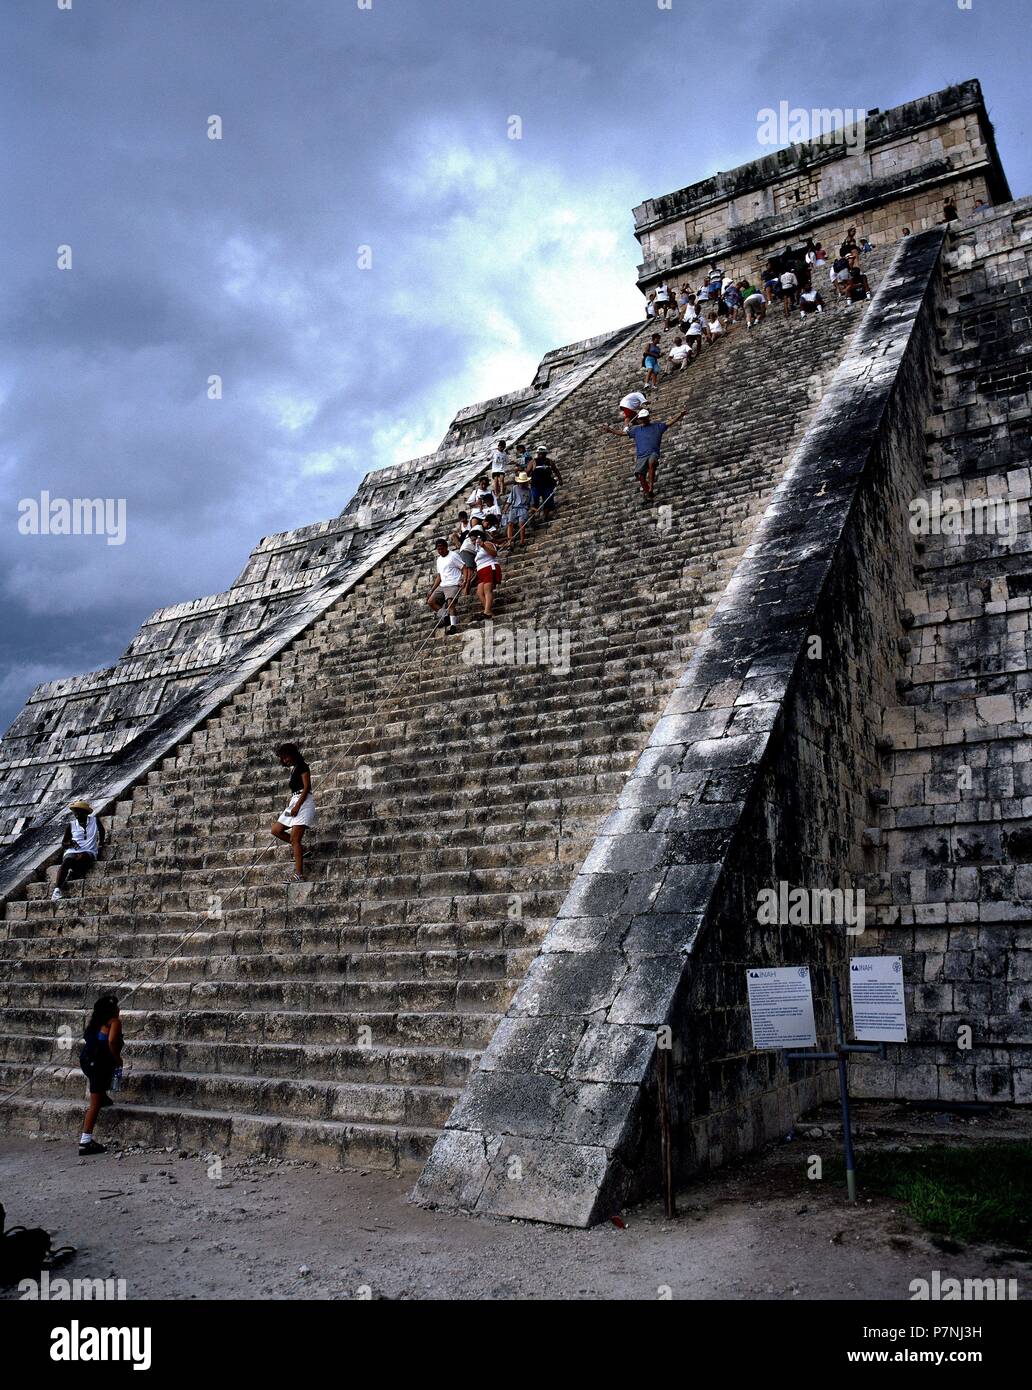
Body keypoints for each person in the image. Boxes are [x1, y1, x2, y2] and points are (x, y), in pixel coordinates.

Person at [600, 404, 687, 502]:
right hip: (641, 456)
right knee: (640, 475)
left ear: (648, 418)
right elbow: (623, 433)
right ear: (640, 419)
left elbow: (669, 423)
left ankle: (650, 487)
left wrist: (680, 416)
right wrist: (610, 430)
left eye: (645, 418)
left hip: (652, 452)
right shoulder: (636, 430)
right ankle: (648, 493)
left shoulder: (657, 426)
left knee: (652, 462)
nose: (643, 420)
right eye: (642, 418)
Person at [78, 994, 123, 1156]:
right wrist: (118, 1059)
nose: (119, 1009)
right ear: (112, 1010)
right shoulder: (115, 1022)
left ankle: (102, 1096)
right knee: (94, 1104)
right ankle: (85, 1142)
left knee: (99, 1092)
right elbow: (111, 1041)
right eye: (117, 1007)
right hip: (98, 1065)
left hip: (87, 1061)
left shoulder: (95, 1023)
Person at [270, 743, 315, 883]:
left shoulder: (302, 765)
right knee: (276, 829)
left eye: (286, 757)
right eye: (282, 759)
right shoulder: (294, 768)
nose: (285, 761)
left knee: (295, 839)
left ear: (292, 754)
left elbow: (307, 787)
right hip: (294, 801)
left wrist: (298, 805)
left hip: (303, 801)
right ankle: (301, 850)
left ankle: (299, 875)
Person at [52, 799, 105, 901]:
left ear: (85, 812)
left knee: (83, 857)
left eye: (78, 811)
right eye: (75, 811)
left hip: (89, 850)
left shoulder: (94, 821)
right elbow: (64, 843)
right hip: (73, 850)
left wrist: (101, 842)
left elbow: (102, 831)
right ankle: (57, 890)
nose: (75, 813)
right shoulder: (71, 825)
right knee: (67, 860)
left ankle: (74, 871)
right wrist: (70, 843)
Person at [427, 538, 467, 635]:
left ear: (446, 547)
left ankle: (453, 626)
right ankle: (446, 616)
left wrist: (464, 580)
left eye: (442, 548)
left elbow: (464, 567)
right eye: (438, 549)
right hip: (443, 584)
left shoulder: (453, 556)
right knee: (431, 601)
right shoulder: (439, 560)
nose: (440, 551)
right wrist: (432, 589)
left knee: (450, 603)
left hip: (453, 583)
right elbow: (439, 576)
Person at [471, 527, 500, 618]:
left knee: (487, 590)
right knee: (480, 592)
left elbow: (494, 554)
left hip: (489, 567)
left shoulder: (487, 543)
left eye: (474, 539)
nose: (473, 542)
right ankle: (488, 611)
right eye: (471, 540)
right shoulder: (477, 549)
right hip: (481, 571)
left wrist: (483, 545)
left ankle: (487, 611)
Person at [529, 447, 562, 517]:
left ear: (545, 454)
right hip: (536, 485)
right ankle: (533, 517)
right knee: (534, 500)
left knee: (548, 500)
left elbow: (556, 470)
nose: (540, 455)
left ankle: (545, 516)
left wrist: (560, 479)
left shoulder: (549, 461)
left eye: (542, 453)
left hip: (547, 485)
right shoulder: (533, 462)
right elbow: (527, 472)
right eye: (539, 453)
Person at [504, 471, 533, 547]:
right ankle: (509, 541)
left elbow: (530, 502)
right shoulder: (514, 488)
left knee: (522, 524)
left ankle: (522, 541)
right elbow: (510, 499)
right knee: (510, 523)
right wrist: (506, 508)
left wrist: (532, 508)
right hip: (514, 508)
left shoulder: (529, 491)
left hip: (523, 508)